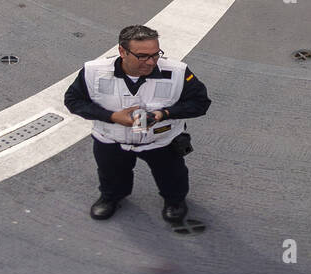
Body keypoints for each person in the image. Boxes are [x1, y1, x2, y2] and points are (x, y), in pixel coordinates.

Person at [63, 25, 209, 225]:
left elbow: (200, 103)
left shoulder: (178, 72)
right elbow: (73, 101)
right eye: (142, 56)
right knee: (110, 174)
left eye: (155, 55)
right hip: (111, 140)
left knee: (172, 175)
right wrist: (112, 116)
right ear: (122, 51)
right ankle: (111, 197)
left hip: (161, 141)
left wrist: (163, 114)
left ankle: (174, 201)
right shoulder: (93, 71)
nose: (150, 62)